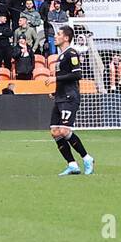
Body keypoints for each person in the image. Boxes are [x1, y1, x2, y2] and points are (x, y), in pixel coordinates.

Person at [51, 26, 94, 177]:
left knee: (64, 131)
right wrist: (55, 91)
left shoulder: (72, 53)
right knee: (55, 132)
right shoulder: (60, 55)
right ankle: (72, 165)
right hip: (59, 97)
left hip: (70, 97)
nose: (56, 36)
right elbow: (64, 76)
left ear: (66, 38)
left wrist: (55, 79)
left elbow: (77, 75)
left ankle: (87, 158)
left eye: (59, 34)